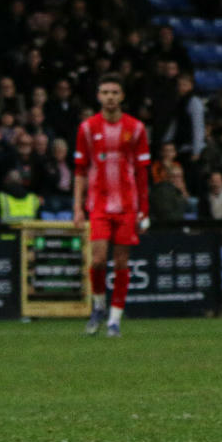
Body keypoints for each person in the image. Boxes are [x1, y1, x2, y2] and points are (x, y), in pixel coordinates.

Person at [73, 74, 150, 339]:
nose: (110, 97)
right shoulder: (87, 128)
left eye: (115, 92)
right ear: (98, 96)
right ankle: (98, 306)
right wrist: (77, 208)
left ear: (122, 96)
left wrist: (144, 209)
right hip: (99, 204)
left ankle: (115, 320)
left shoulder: (136, 128)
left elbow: (142, 172)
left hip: (127, 205)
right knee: (97, 259)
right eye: (105, 92)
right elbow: (80, 171)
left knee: (121, 262)